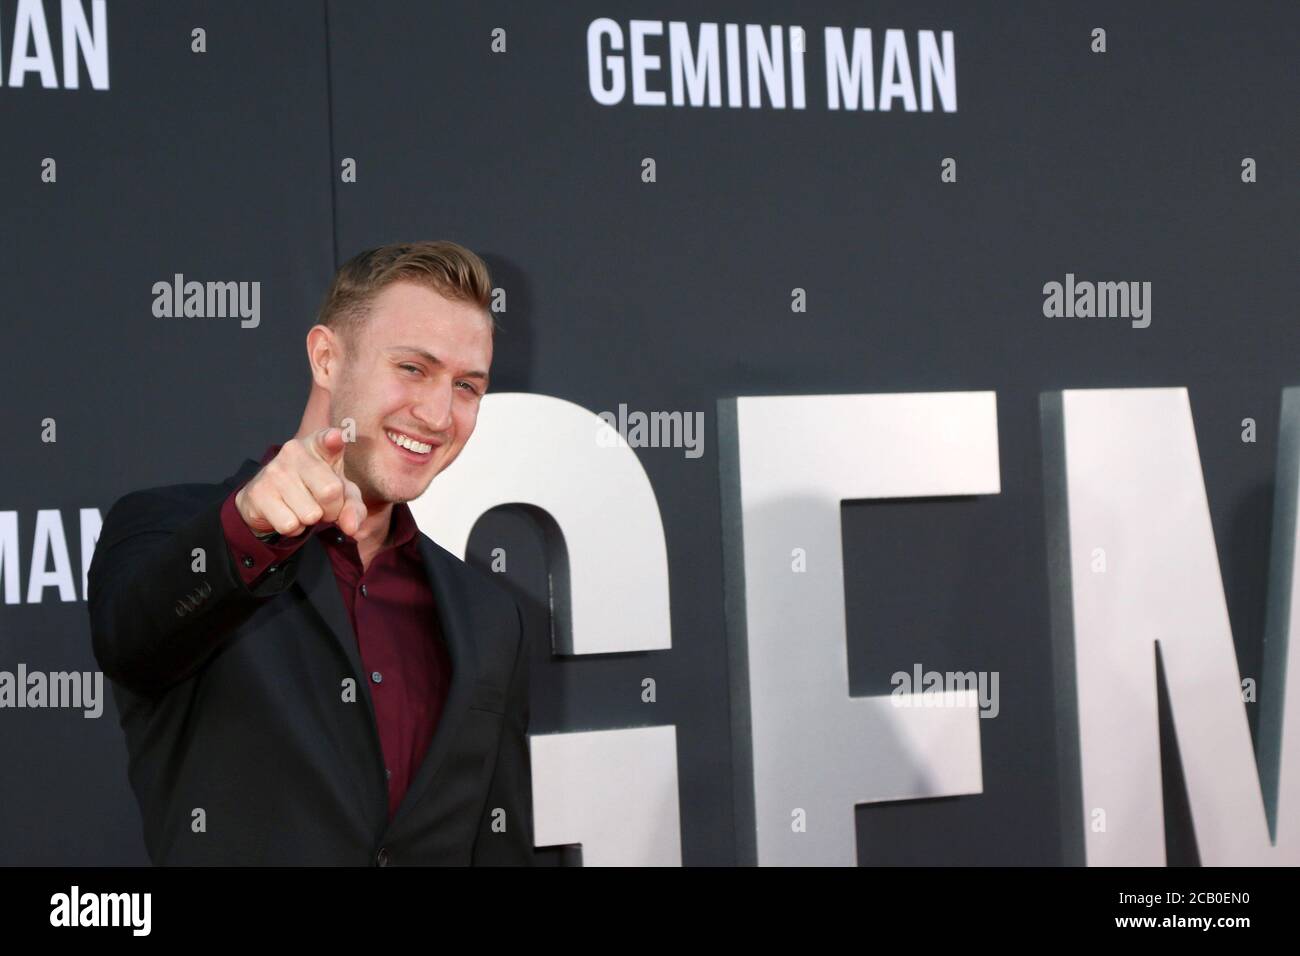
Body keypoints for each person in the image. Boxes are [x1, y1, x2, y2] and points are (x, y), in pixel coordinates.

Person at [87, 240, 534, 865]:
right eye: (412, 368)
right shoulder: (172, 531)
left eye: (467, 386)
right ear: (327, 358)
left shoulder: (490, 614)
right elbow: (131, 643)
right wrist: (252, 527)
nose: (437, 414)